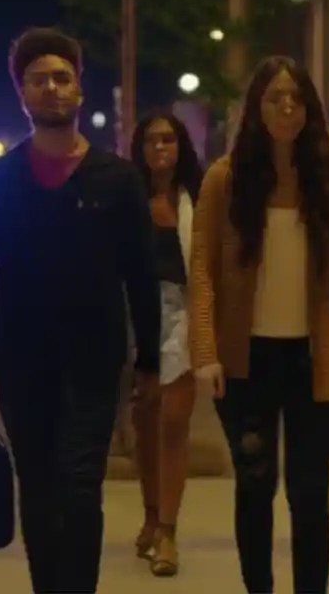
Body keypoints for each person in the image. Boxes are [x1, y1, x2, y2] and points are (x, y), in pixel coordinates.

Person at [0, 27, 161, 594]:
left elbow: (141, 272)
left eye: (63, 78)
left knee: (81, 485)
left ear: (80, 90)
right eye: (39, 80)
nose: (53, 89)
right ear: (23, 95)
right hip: (22, 357)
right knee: (37, 487)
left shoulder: (117, 179)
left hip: (94, 356)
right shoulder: (2, 179)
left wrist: (150, 362)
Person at [189, 55, 329, 593]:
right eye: (275, 97)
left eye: (296, 98)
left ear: (310, 110)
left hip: (312, 359)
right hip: (245, 360)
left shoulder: (327, 182)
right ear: (257, 107)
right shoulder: (224, 181)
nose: (287, 108)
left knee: (309, 491)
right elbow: (202, 270)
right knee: (254, 486)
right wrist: (205, 352)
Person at [127, 109, 204, 577]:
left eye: (169, 140)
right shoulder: (128, 197)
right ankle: (152, 514)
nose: (161, 149)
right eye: (152, 140)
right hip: (138, 316)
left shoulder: (194, 198)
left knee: (175, 420)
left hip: (184, 312)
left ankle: (169, 531)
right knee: (145, 418)